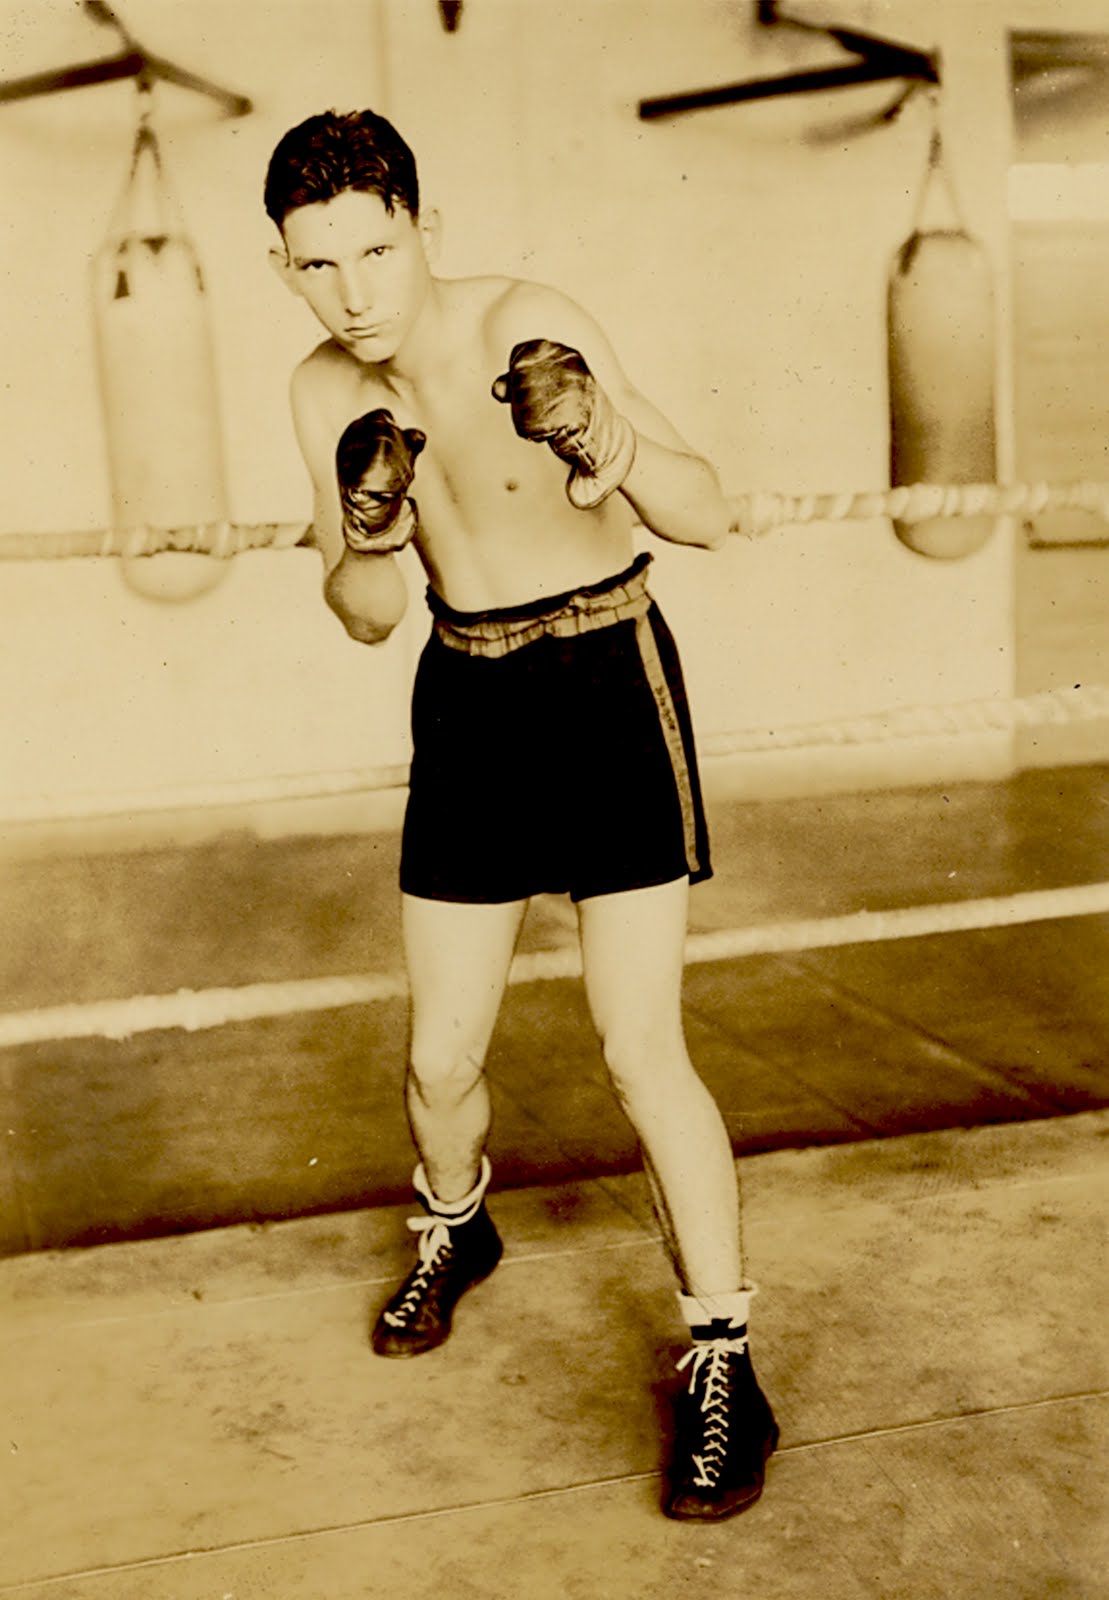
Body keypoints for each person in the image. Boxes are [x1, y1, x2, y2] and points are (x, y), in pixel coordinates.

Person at [263, 108, 777, 1522]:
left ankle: (725, 1357)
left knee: (636, 1045)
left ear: (422, 227)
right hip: (470, 692)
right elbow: (367, 617)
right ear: (282, 268)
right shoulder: (319, 392)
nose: (356, 292)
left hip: (607, 679)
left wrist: (604, 438)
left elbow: (709, 509)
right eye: (319, 266)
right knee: (434, 1062)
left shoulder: (526, 317)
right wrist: (371, 532)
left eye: (375, 249)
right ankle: (456, 1223)